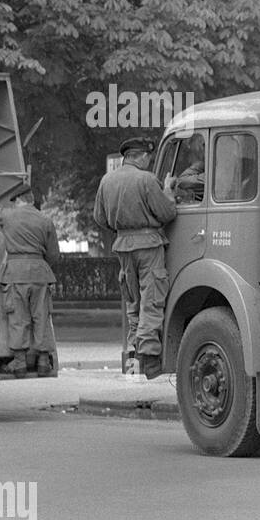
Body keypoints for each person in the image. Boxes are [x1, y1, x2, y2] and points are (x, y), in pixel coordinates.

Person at [93, 137, 178, 378]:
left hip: (123, 246)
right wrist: (168, 192)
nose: (149, 162)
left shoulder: (106, 180)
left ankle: (135, 347)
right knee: (152, 297)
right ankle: (149, 357)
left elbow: (99, 218)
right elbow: (167, 212)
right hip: (149, 244)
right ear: (141, 156)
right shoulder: (147, 180)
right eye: (148, 158)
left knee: (133, 298)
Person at [0, 171, 61, 377]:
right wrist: (39, 266)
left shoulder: (8, 215)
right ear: (31, 200)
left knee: (18, 318)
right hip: (41, 273)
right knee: (41, 317)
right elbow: (54, 255)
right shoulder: (45, 220)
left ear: (18, 200)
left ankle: (20, 362)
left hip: (15, 273)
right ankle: (43, 361)